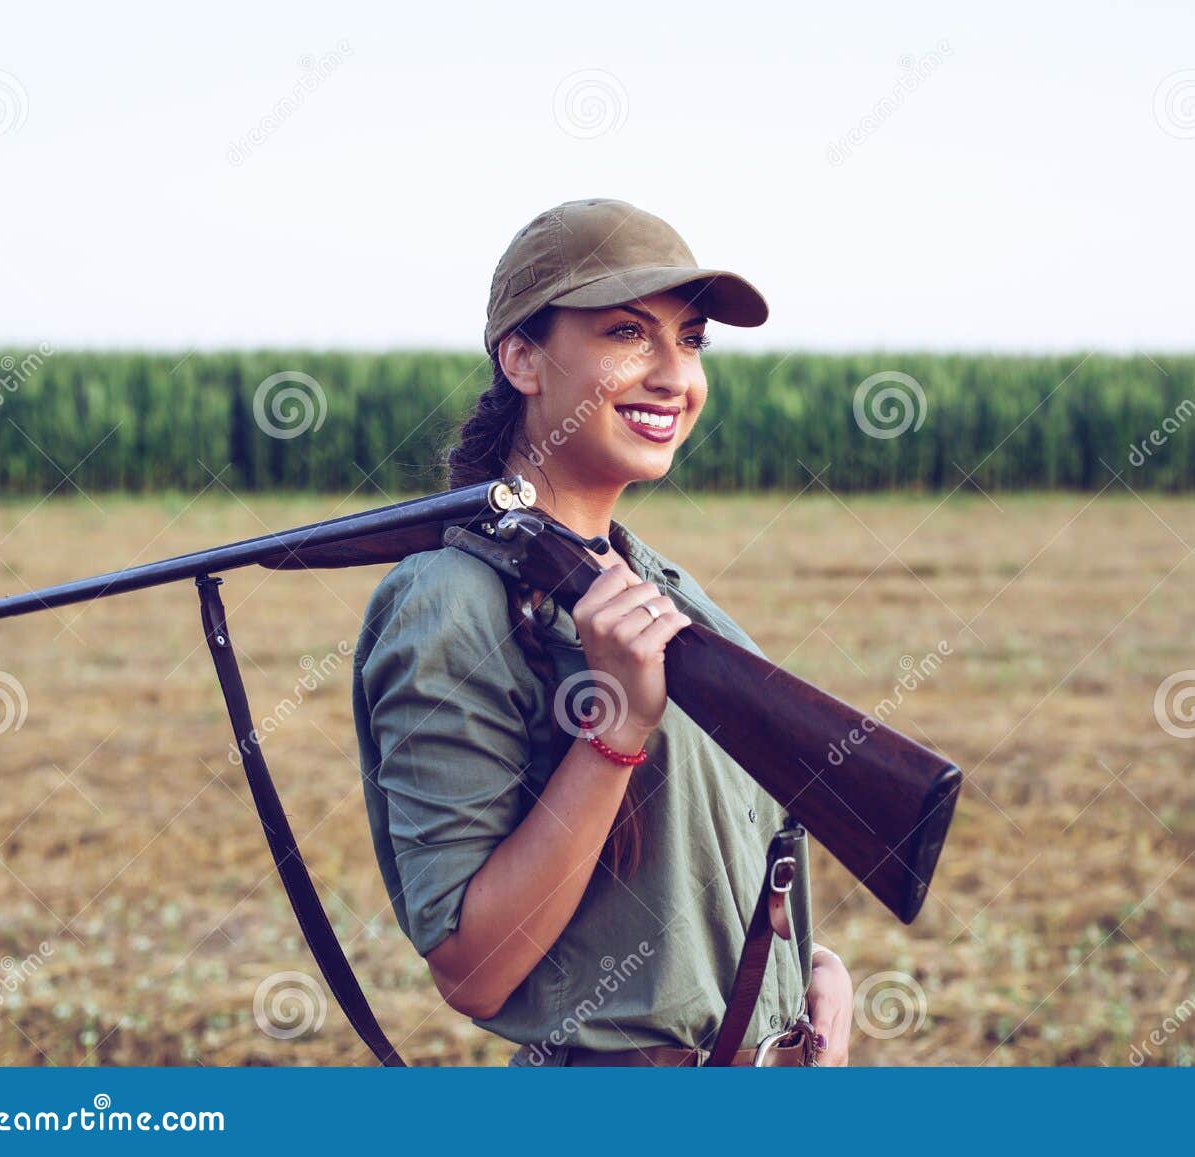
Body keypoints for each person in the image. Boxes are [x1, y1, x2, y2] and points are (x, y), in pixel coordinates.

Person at [352, 198, 854, 1066]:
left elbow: (685, 867)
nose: (674, 375)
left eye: (691, 340)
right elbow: (476, 970)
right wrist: (615, 729)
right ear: (522, 358)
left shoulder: (657, 583)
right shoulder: (447, 603)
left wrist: (805, 966)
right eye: (629, 333)